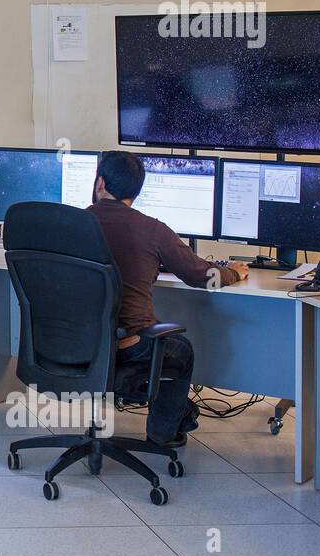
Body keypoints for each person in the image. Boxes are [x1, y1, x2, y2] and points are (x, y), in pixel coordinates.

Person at [86, 151, 249, 447]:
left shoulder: (73, 222)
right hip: (128, 347)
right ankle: (164, 432)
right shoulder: (152, 229)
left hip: (77, 342)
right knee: (180, 349)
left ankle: (182, 414)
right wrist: (233, 273)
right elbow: (203, 276)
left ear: (99, 184)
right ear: (137, 192)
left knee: (167, 345)